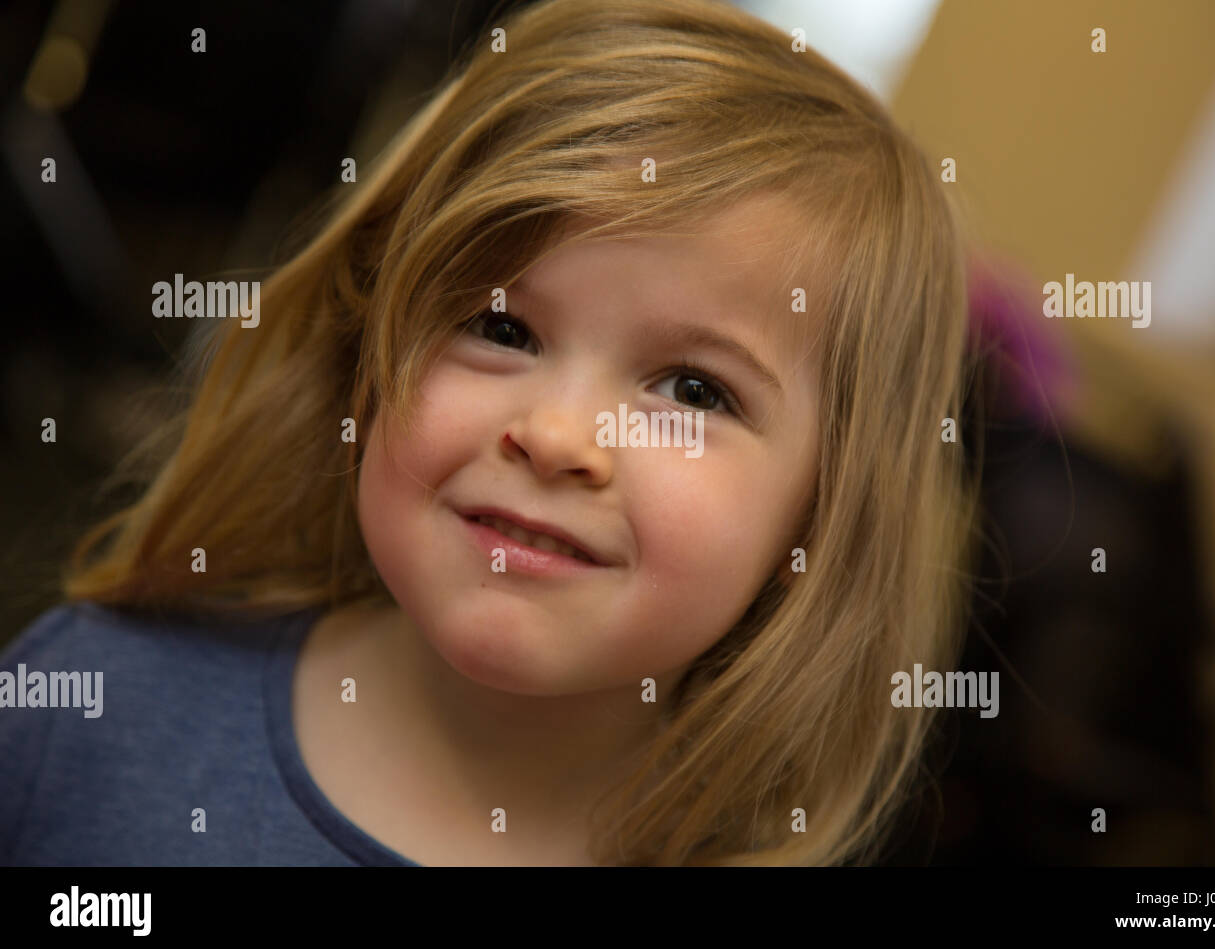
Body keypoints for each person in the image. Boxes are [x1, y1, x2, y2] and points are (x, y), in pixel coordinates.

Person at [0, 0, 978, 866]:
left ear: (822, 515)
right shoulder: (90, 704)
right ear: (363, 356)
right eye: (502, 329)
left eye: (693, 388)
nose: (556, 436)